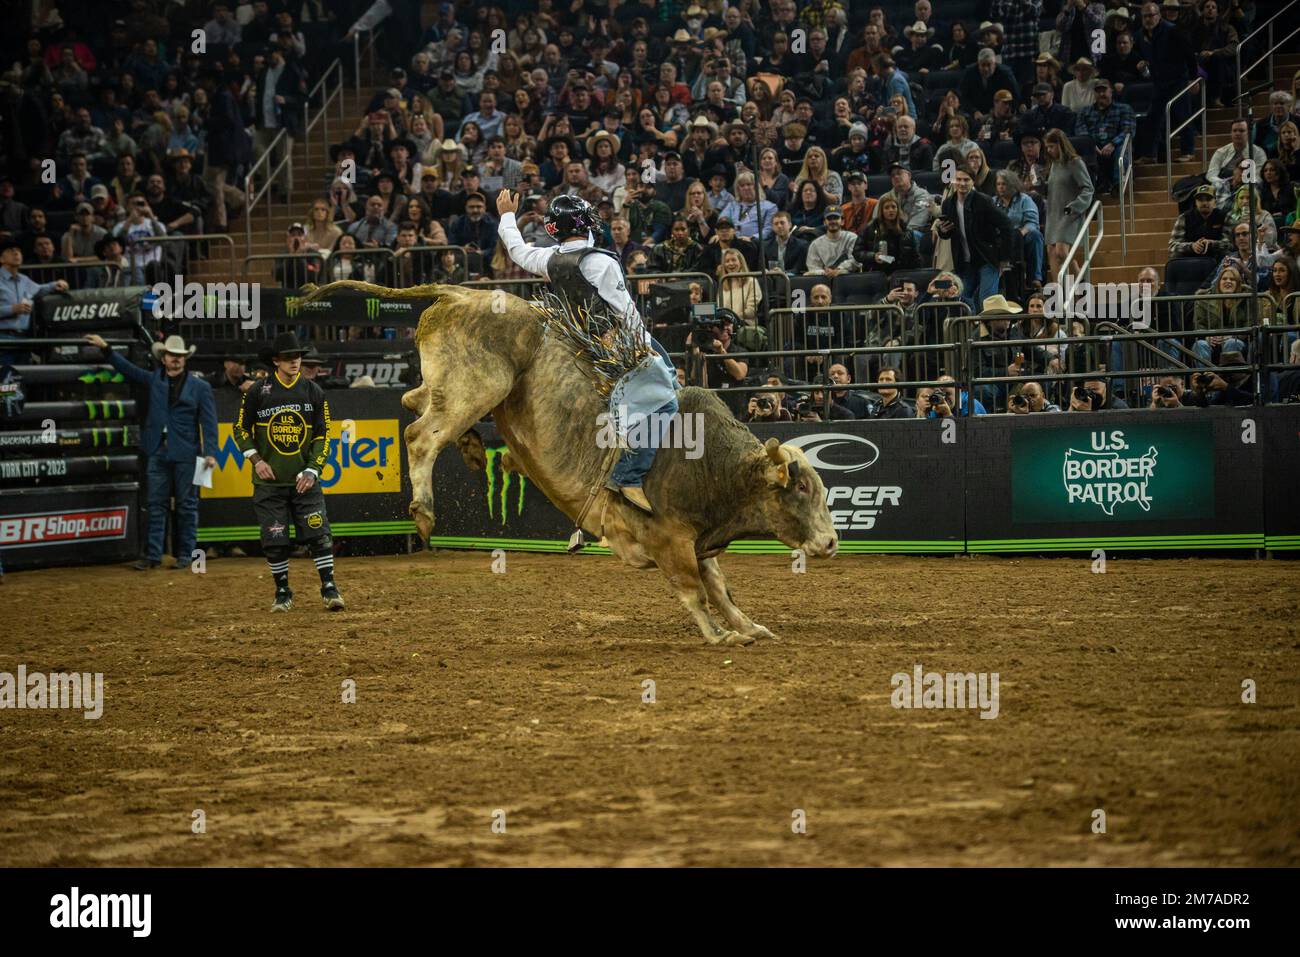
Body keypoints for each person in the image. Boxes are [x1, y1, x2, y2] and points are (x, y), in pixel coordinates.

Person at [496, 191, 676, 515]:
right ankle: (629, 475)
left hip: (579, 345)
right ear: (586, 222)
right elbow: (626, 313)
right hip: (616, 346)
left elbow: (518, 251)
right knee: (667, 400)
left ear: (554, 229)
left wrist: (507, 215)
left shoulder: (550, 260)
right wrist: (648, 351)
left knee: (667, 376)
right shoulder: (601, 262)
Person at [83, 333, 217, 571]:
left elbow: (209, 422)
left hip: (186, 454)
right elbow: (127, 369)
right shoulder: (155, 380)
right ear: (163, 358)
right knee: (156, 505)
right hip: (159, 450)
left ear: (185, 359)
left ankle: (185, 554)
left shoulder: (200, 387)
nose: (176, 360)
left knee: (186, 505)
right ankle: (154, 555)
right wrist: (106, 348)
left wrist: (211, 453)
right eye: (172, 355)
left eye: (179, 356)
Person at [235, 331, 344, 612]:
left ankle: (329, 587)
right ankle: (282, 591)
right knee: (275, 541)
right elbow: (240, 429)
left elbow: (323, 436)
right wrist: (256, 459)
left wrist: (312, 470)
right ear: (276, 361)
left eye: (297, 356)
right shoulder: (258, 391)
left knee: (319, 535)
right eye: (288, 357)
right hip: (269, 484)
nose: (295, 361)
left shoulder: (313, 392)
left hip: (304, 481)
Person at [937, 168, 1016, 308]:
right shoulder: (948, 204)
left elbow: (1007, 225)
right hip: (965, 262)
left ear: (973, 182)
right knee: (961, 301)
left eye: (966, 180)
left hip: (987, 258)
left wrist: (1004, 258)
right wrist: (942, 231)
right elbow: (947, 233)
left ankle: (986, 330)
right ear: (953, 181)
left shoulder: (983, 201)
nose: (962, 183)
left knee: (986, 302)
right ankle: (972, 330)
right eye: (958, 179)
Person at [1, 239, 69, 363]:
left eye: (18, 251)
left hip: (22, 338)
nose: (16, 253)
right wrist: (13, 309)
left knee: (21, 378)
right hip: (3, 339)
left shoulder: (24, 280)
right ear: (1, 259)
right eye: (11, 251)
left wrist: (56, 285)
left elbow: (39, 289)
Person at [1043, 129, 1095, 280]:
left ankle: (1082, 286)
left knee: (1061, 252)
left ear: (1061, 145)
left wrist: (1075, 206)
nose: (1049, 150)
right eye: (1047, 147)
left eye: (1051, 146)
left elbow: (1088, 188)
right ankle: (1059, 293)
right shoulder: (1053, 165)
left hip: (1069, 212)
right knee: (1051, 252)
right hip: (1053, 213)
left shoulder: (1075, 162)